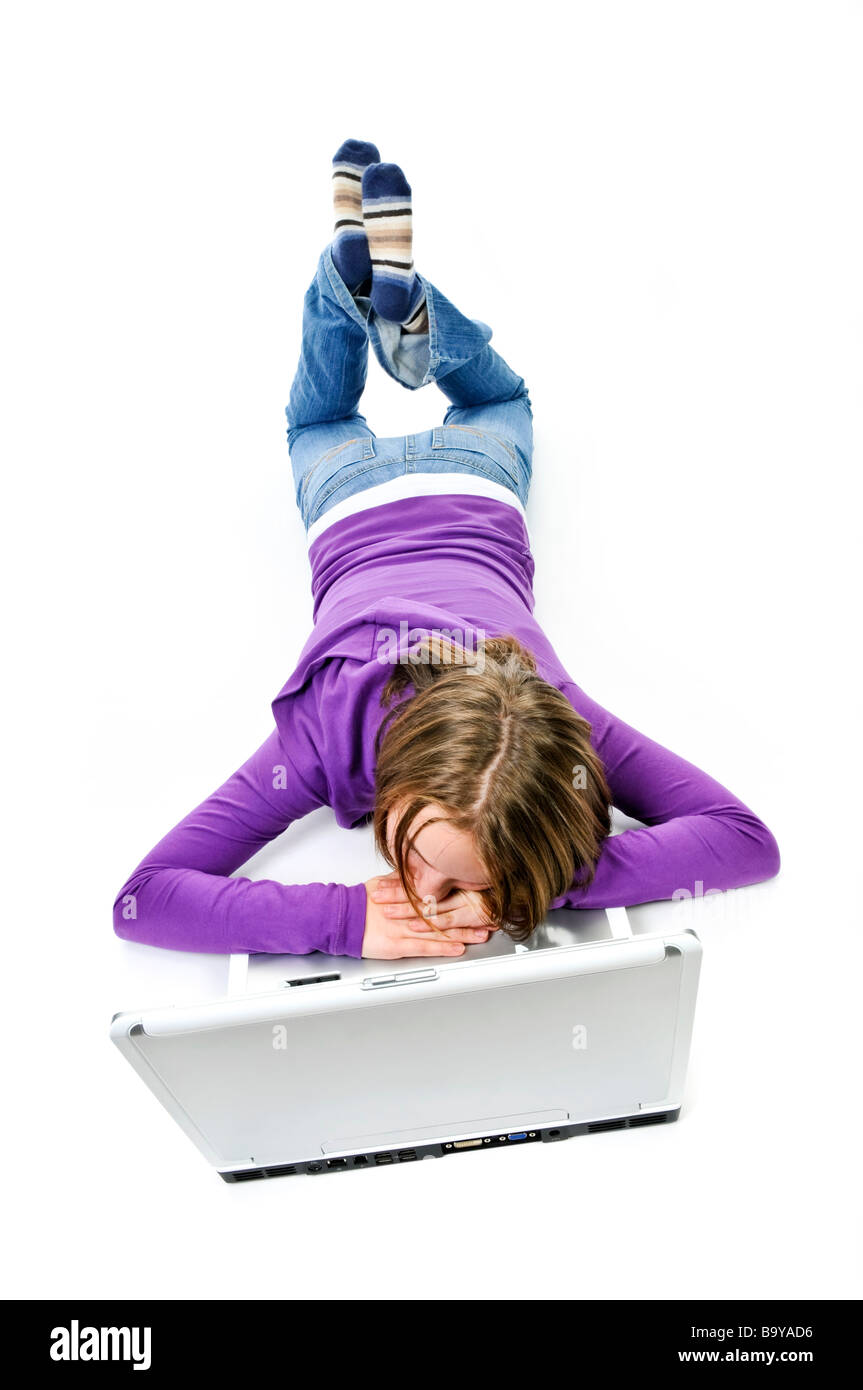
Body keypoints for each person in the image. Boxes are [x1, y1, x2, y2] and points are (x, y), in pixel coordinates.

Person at [113, 139, 780, 962]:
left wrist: (536, 869)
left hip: (469, 484)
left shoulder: (544, 720)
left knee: (486, 399)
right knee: (322, 427)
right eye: (447, 880)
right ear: (389, 801)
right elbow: (139, 905)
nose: (470, 918)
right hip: (354, 499)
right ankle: (358, 286)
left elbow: (149, 896)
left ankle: (370, 290)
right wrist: (345, 919)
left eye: (490, 892)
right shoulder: (331, 736)